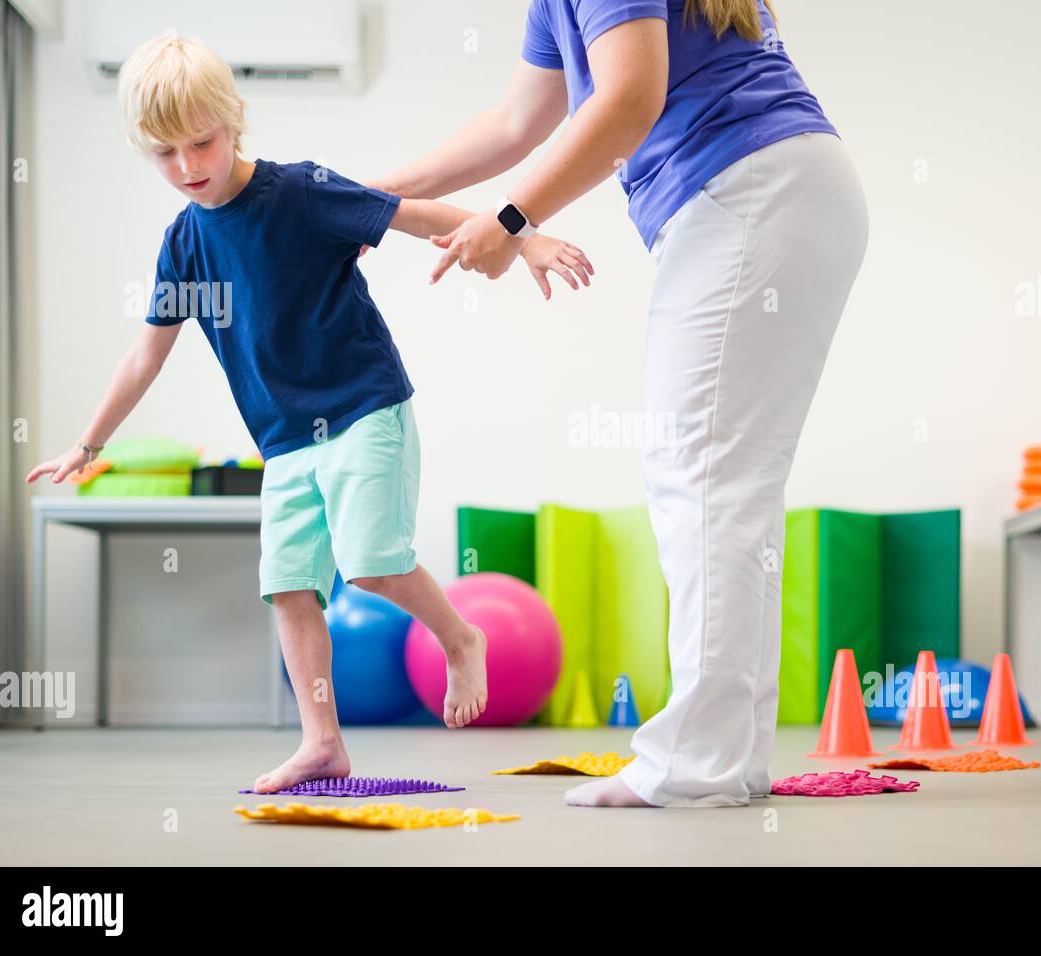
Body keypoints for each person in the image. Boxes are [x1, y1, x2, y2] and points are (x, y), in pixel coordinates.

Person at [23, 31, 593, 793]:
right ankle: (322, 741)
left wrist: (519, 239)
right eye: (165, 153)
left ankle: (460, 637)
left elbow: (413, 215)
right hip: (284, 440)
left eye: (203, 141)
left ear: (236, 120)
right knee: (290, 589)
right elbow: (145, 355)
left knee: (370, 563)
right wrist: (89, 443)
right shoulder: (185, 245)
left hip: (362, 407)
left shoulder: (299, 191)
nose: (189, 166)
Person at [372, 0, 869, 807]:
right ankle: (729, 760)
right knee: (727, 487)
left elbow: (631, 99)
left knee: (702, 481)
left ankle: (696, 766)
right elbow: (514, 123)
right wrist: (378, 193)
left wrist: (511, 218)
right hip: (782, 184)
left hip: (747, 189)